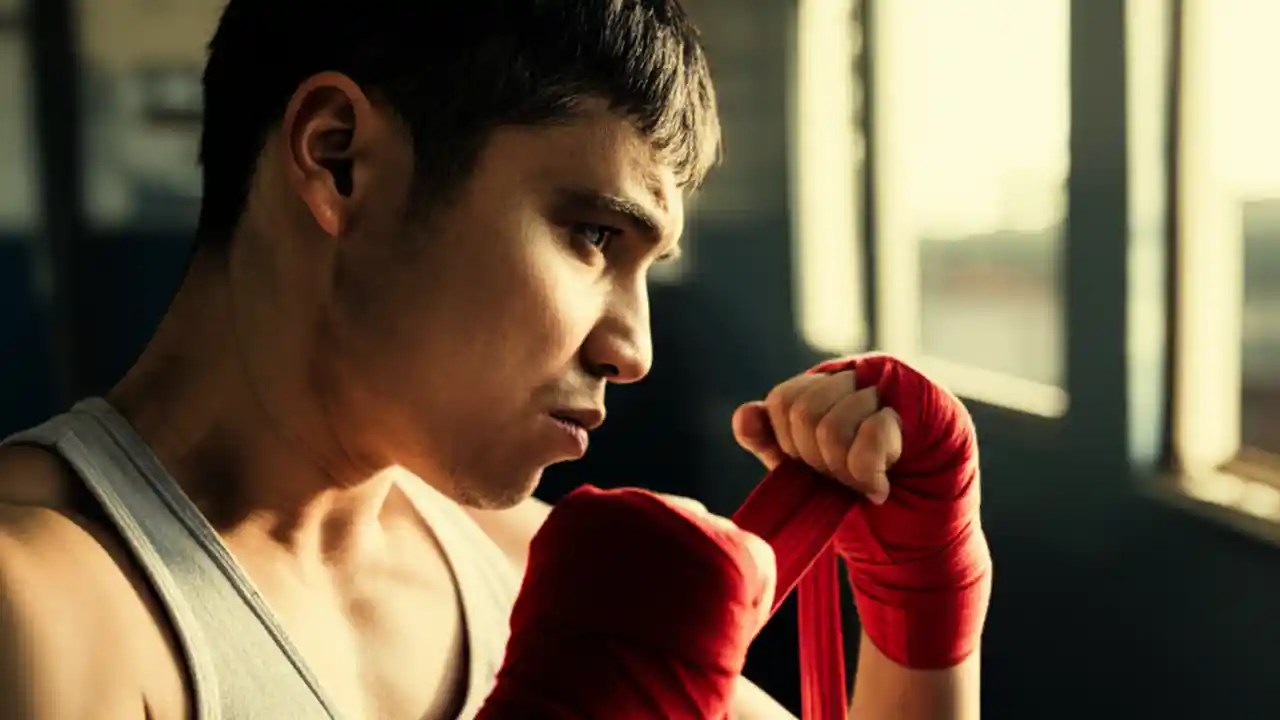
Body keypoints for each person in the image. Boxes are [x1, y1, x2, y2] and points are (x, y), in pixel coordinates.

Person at [0, 2, 985, 718]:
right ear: (339, 158)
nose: (632, 349)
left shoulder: (531, 573)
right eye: (593, 235)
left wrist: (921, 634)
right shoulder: (42, 607)